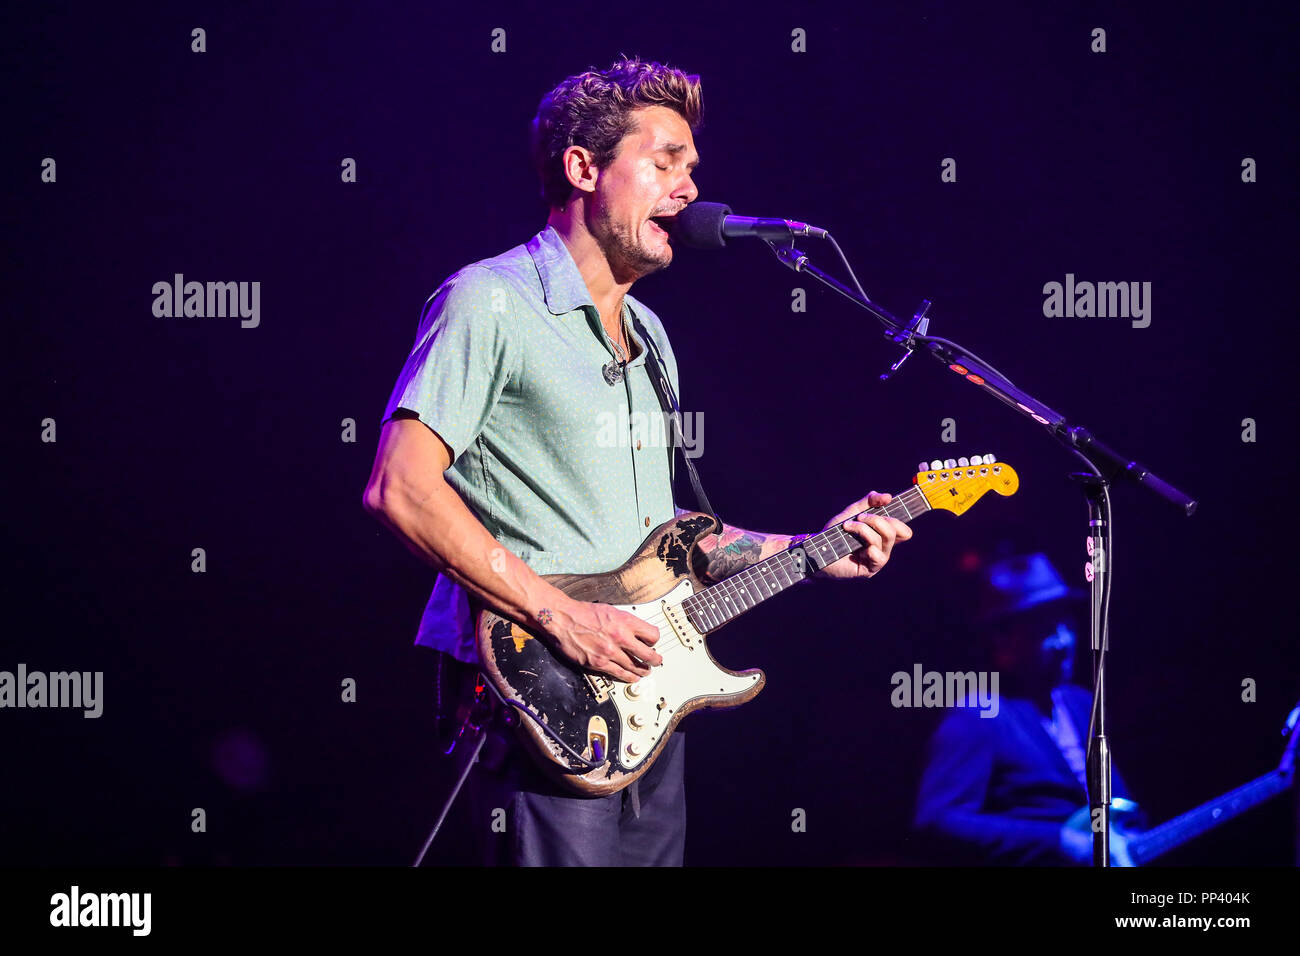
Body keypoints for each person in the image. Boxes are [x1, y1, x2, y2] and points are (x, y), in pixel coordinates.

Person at [363, 55, 912, 866]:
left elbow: (669, 541)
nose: (690, 189)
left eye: (692, 169)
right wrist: (560, 615)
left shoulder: (651, 337)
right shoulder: (491, 300)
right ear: (584, 168)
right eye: (665, 163)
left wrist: (809, 550)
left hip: (645, 706)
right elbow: (399, 487)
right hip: (540, 692)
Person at [913, 551, 1143, 865]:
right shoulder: (979, 714)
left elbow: (1120, 803)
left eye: (1066, 623)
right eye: (1045, 629)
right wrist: (1061, 841)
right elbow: (938, 820)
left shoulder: (1080, 702)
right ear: (1004, 640)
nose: (1063, 641)